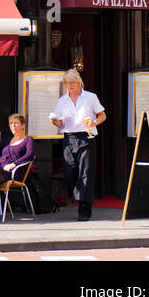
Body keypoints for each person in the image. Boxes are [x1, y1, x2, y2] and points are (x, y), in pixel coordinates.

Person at [50, 69, 105, 221]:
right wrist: (54, 121)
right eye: (67, 83)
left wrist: (94, 122)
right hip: (69, 137)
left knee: (86, 173)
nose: (70, 85)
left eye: (72, 82)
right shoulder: (62, 100)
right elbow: (59, 122)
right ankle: (77, 195)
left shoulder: (90, 97)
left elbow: (102, 115)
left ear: (79, 82)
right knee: (70, 172)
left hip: (86, 136)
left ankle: (84, 209)